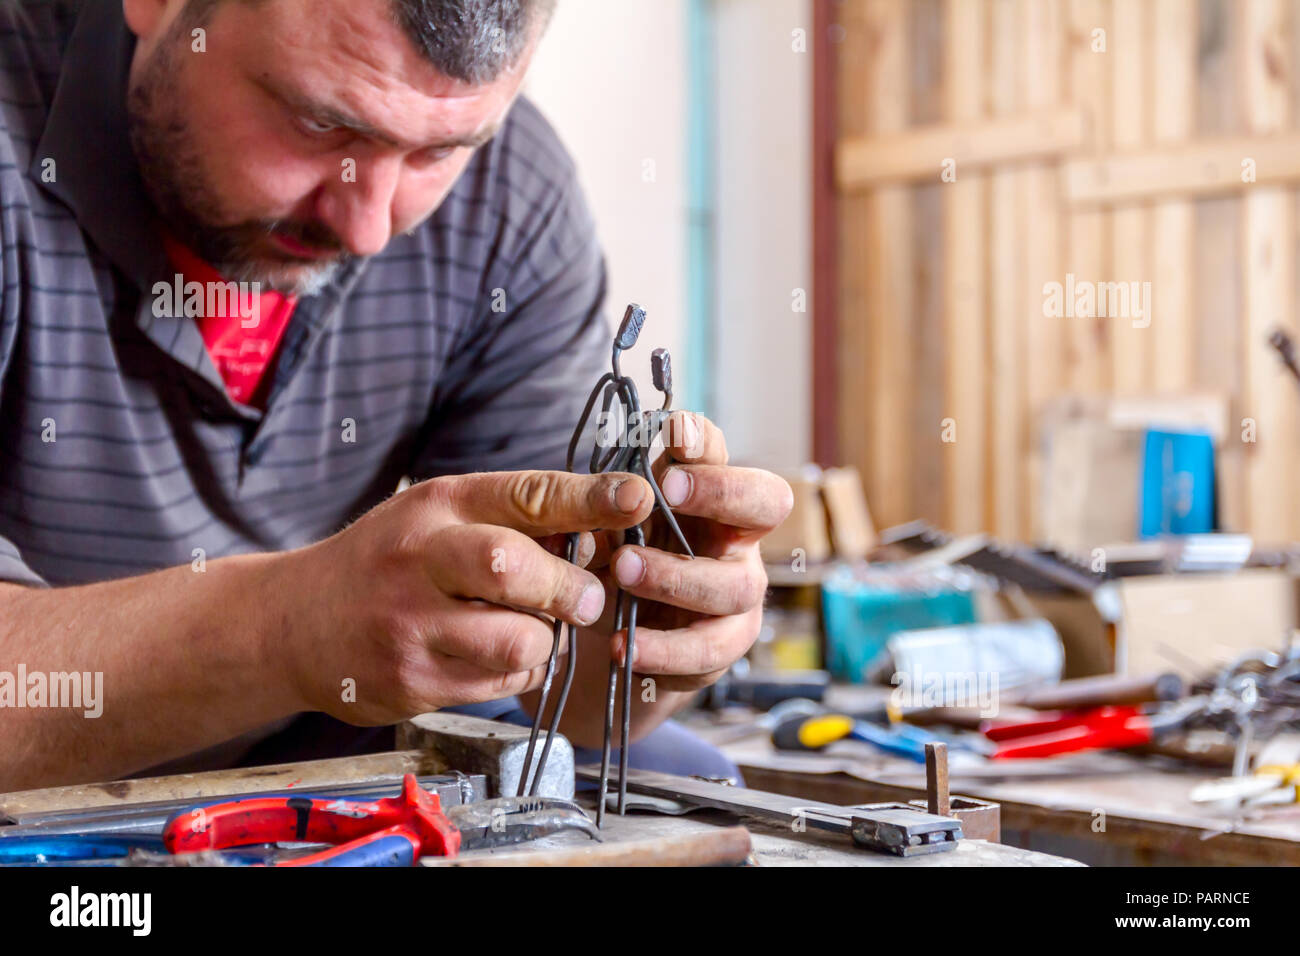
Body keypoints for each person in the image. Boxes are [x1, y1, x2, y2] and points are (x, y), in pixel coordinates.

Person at [0, 0, 793, 790]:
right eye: (319, 125)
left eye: (439, 152)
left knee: (685, 786)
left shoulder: (509, 198)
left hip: (313, 748)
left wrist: (649, 623)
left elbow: (575, 698)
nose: (370, 226)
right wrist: (288, 628)